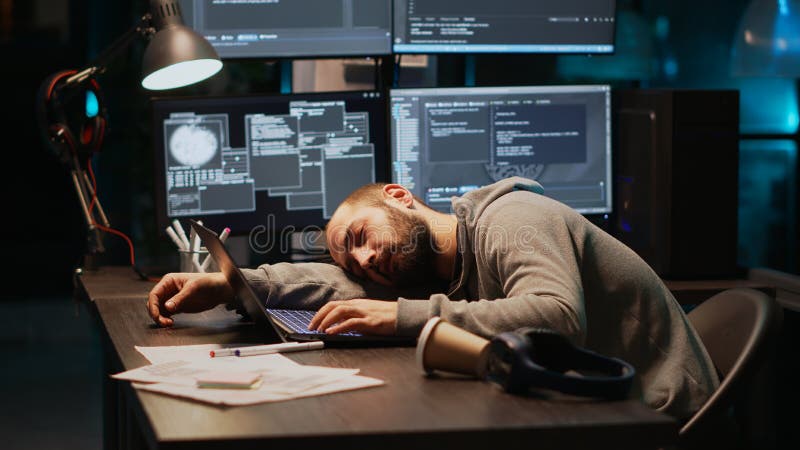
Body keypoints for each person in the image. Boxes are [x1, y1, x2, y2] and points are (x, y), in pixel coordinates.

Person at [147, 176, 719, 419]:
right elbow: (343, 286)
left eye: (361, 238)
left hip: (654, 419)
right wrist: (237, 284)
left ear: (400, 196)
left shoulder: (513, 218)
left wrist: (400, 315)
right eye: (356, 259)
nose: (366, 261)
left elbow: (558, 316)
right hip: (586, 401)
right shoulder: (444, 270)